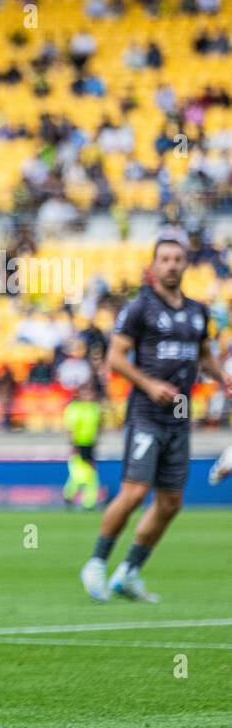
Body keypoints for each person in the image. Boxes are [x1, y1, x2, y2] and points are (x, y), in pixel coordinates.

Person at [80, 232, 232, 602]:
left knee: (170, 503)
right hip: (146, 414)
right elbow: (115, 358)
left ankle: (128, 572)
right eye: (164, 259)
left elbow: (204, 356)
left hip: (179, 417)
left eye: (178, 259)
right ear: (154, 265)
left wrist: (224, 377)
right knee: (134, 492)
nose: (171, 265)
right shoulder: (139, 308)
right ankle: (97, 563)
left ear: (185, 264)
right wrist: (149, 385)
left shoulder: (198, 313)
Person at [62, 379, 102, 509]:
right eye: (86, 392)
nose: (90, 395)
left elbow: (99, 425)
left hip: (90, 444)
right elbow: (70, 428)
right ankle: (77, 498)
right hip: (78, 444)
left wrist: (97, 440)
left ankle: (81, 499)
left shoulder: (95, 408)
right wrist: (73, 445)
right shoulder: (74, 408)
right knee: (83, 473)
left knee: (87, 473)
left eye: (91, 392)